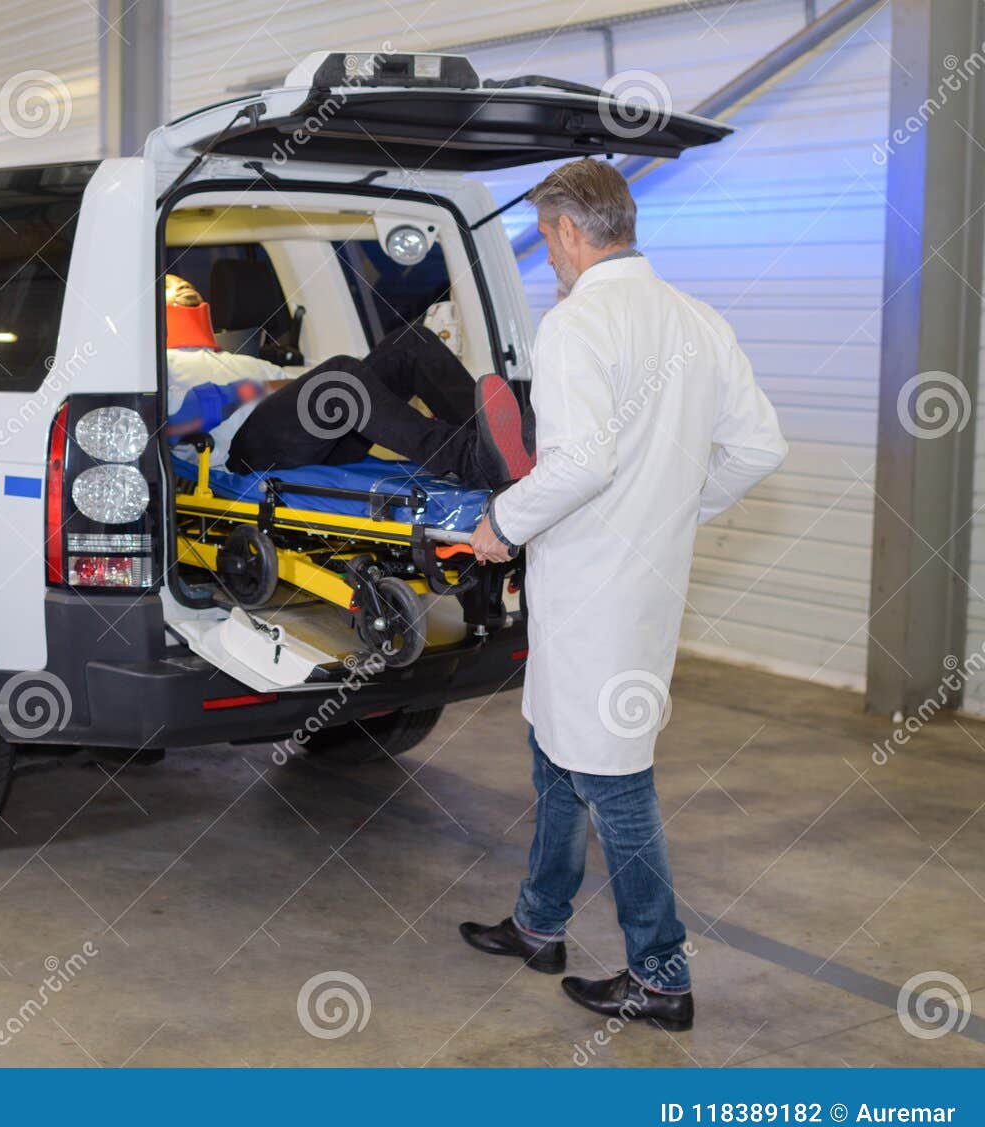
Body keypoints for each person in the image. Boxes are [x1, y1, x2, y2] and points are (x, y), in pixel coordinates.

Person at [458, 159, 788, 1031]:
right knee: (558, 750)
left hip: (591, 587)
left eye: (548, 240)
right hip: (633, 586)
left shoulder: (575, 325)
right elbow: (758, 447)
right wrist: (677, 510)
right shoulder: (697, 319)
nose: (551, 259)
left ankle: (660, 974)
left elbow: (580, 464)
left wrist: (501, 524)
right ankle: (539, 923)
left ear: (570, 231)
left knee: (614, 778)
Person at [162, 274, 532, 488]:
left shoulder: (238, 360)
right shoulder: (159, 367)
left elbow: (304, 385)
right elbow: (174, 424)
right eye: (172, 286)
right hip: (247, 454)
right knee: (340, 377)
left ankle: (499, 444)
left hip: (312, 435)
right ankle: (469, 457)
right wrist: (250, 390)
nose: (183, 289)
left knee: (410, 342)